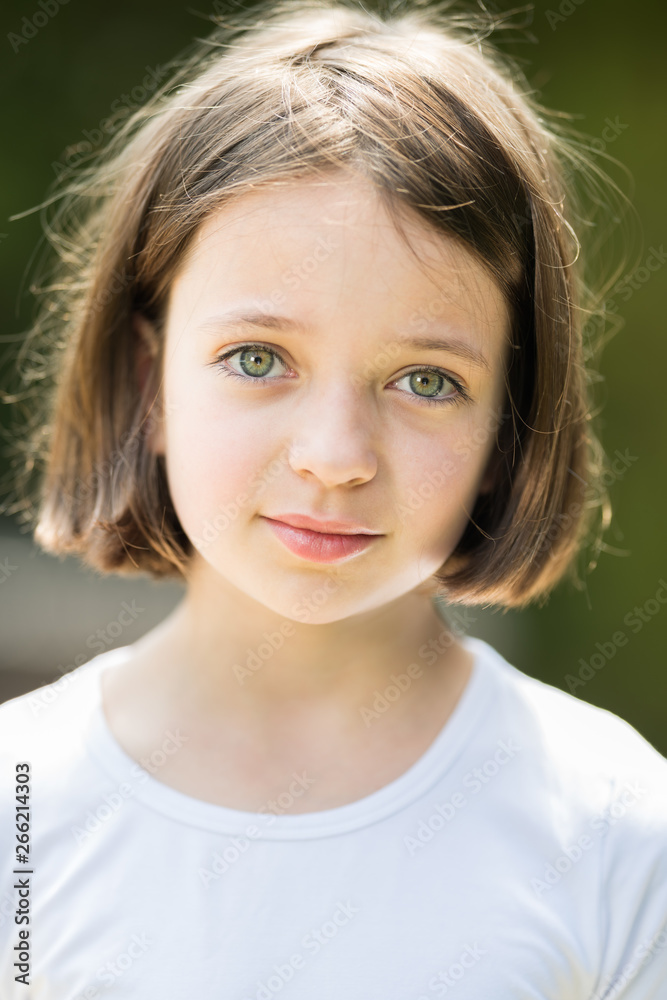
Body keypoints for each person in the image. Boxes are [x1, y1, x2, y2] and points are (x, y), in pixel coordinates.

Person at [1, 1, 665, 997]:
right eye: (258, 358)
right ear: (150, 383)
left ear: (507, 425)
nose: (334, 456)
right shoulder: (22, 804)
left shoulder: (615, 825)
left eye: (426, 379)